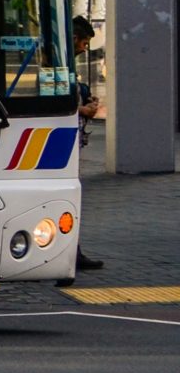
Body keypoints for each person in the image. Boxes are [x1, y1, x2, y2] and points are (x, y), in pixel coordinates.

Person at [71, 15, 105, 273]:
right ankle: (71, 253)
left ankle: (74, 251)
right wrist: (83, 110)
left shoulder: (64, 61)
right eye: (83, 43)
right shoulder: (54, 60)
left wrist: (84, 93)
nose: (85, 49)